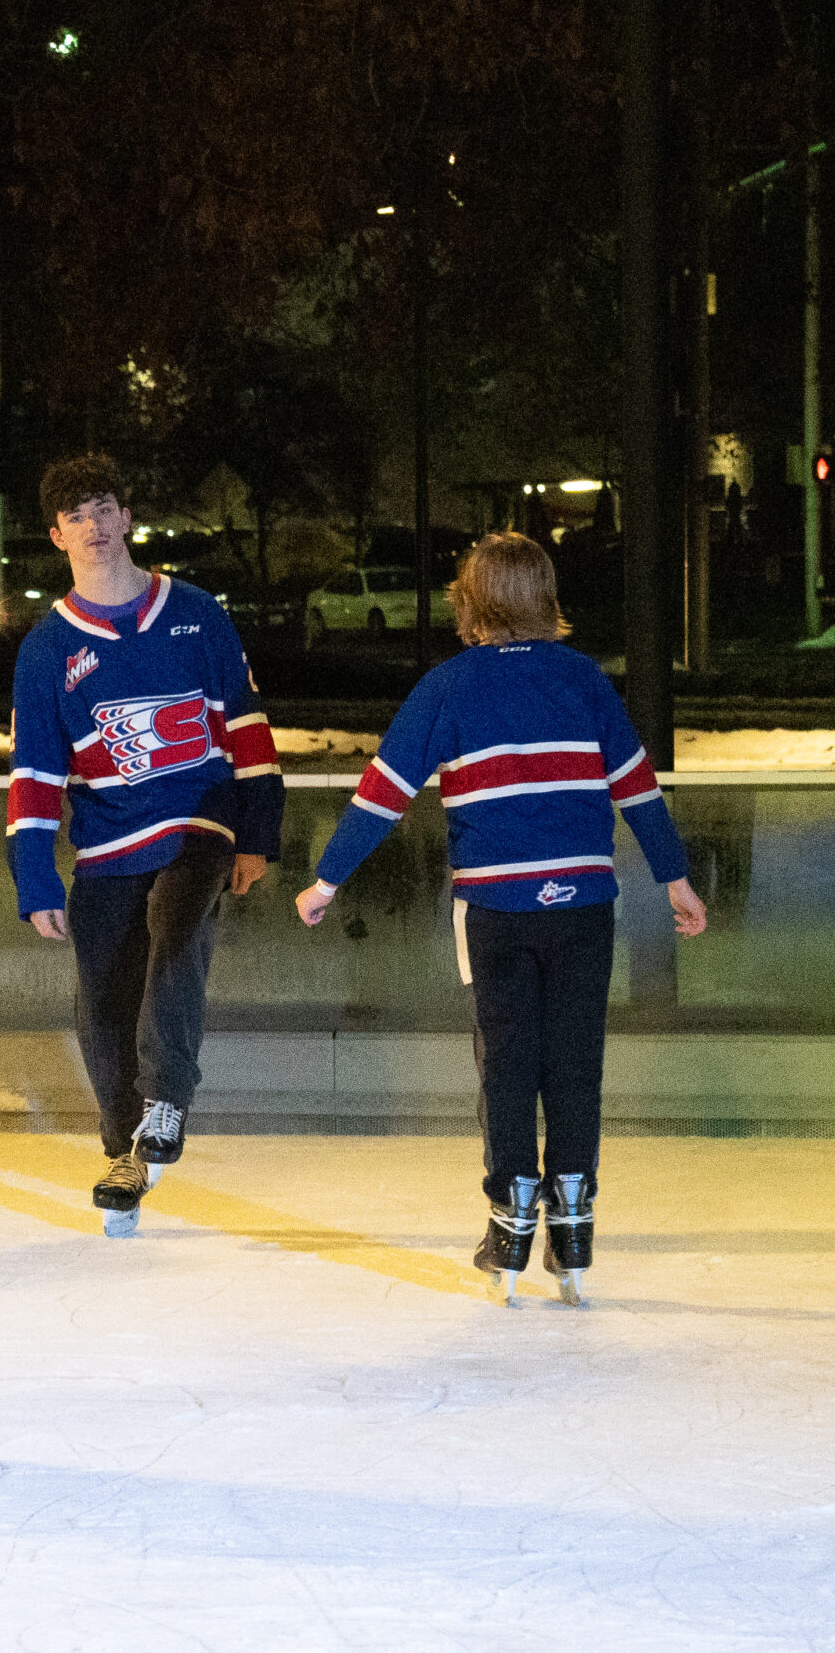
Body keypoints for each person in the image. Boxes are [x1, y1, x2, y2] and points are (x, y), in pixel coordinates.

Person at [295, 532, 707, 1305]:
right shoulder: (583, 678)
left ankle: (513, 1213)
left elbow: (382, 792)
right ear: (547, 597)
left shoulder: (447, 688)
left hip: (497, 907)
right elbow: (639, 789)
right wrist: (676, 879)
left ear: (468, 601)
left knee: (509, 1061)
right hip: (585, 903)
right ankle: (574, 1221)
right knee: (576, 1062)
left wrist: (326, 881)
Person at [6, 454, 284, 1235]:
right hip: (107, 841)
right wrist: (33, 876)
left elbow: (249, 728)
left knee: (177, 924)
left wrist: (258, 831)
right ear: (56, 535)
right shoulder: (46, 651)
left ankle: (166, 1103)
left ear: (126, 518)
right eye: (75, 516)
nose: (93, 525)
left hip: (200, 816)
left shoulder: (196, 611)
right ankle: (125, 1146)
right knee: (101, 998)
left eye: (104, 508)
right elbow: (34, 771)